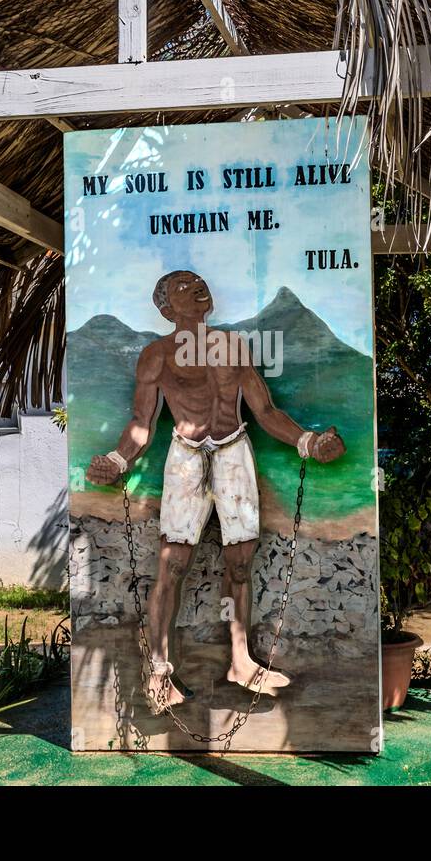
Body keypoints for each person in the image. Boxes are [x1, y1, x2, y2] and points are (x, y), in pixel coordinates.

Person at [86, 270, 345, 710]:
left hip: (234, 452)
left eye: (197, 281)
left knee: (240, 561)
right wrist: (116, 460)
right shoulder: (156, 355)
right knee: (172, 562)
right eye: (182, 286)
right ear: (166, 308)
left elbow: (265, 411)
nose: (196, 286)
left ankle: (241, 661)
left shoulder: (231, 348)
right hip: (185, 457)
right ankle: (160, 670)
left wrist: (309, 442)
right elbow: (141, 422)